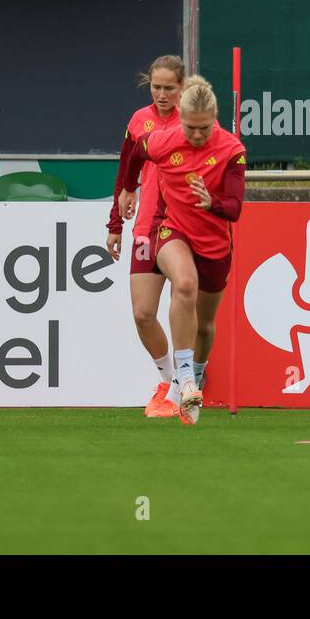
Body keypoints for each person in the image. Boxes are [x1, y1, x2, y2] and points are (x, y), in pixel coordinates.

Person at [119, 75, 245, 425]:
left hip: (215, 241)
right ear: (181, 119)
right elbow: (134, 152)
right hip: (171, 230)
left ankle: (193, 380)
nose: (197, 136)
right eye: (190, 128)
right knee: (184, 283)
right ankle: (183, 378)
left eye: (204, 129)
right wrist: (128, 189)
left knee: (205, 324)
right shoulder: (164, 141)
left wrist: (213, 203)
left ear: (214, 120)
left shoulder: (231, 150)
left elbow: (235, 208)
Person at [106, 55, 184, 417]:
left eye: (170, 87)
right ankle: (168, 381)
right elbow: (125, 176)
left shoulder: (195, 121)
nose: (163, 94)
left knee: (185, 305)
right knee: (142, 313)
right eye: (157, 87)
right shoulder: (139, 120)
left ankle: (187, 383)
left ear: (183, 86)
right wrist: (114, 225)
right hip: (146, 227)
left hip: (186, 227)